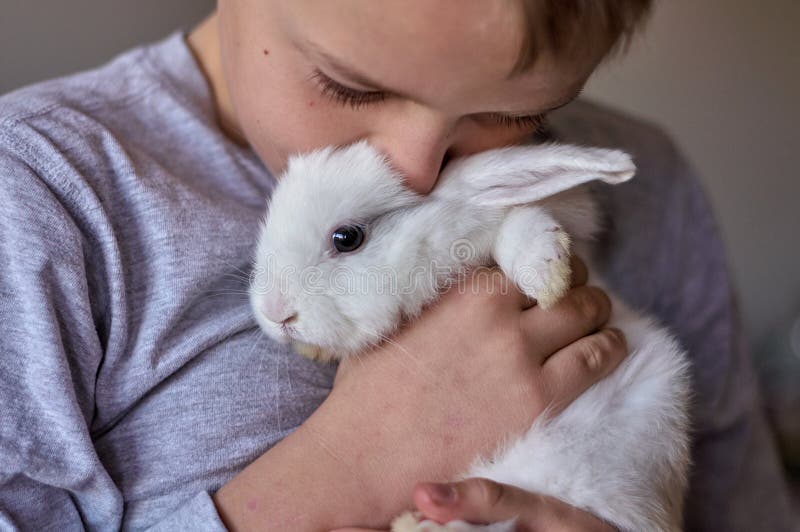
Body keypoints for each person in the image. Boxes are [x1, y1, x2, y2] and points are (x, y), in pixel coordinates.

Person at [0, 1, 795, 530]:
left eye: (512, 114)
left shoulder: (637, 178)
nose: (414, 168)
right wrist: (351, 465)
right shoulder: (41, 195)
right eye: (348, 85)